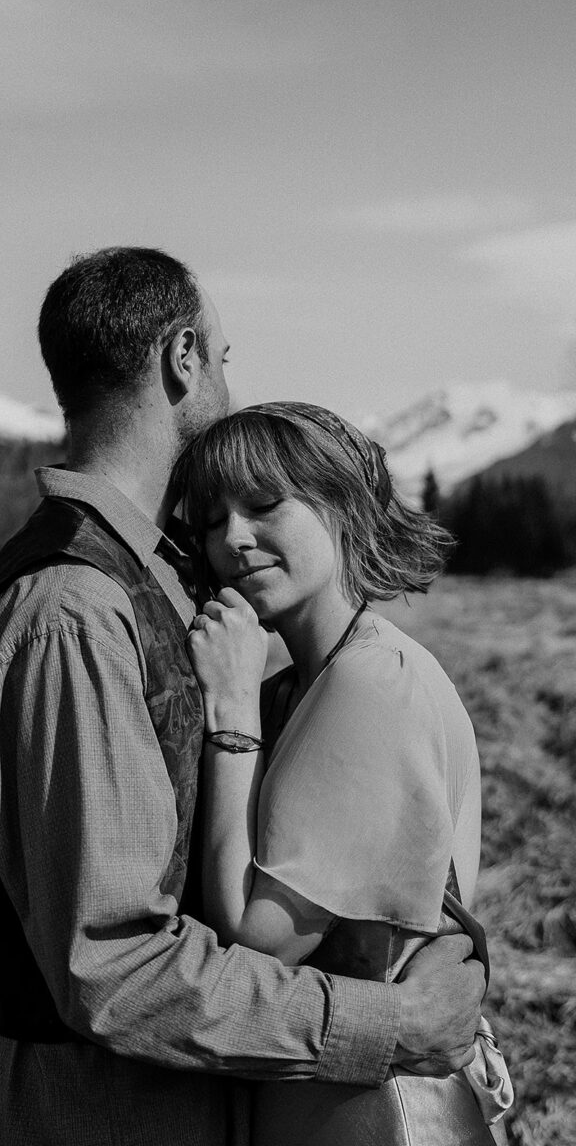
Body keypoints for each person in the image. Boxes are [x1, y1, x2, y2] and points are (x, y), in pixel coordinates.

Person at [0, 250, 487, 1146]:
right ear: (183, 356)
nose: (235, 537)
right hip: (100, 1116)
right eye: (225, 360)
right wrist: (392, 1022)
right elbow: (112, 966)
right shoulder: (74, 613)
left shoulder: (160, 587)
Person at [175, 401, 513, 1145]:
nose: (233, 537)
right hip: (330, 1103)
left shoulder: (370, 684)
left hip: (379, 1112)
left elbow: (255, 947)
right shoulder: (305, 685)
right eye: (210, 519)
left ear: (339, 508)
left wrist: (229, 713)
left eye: (265, 504)